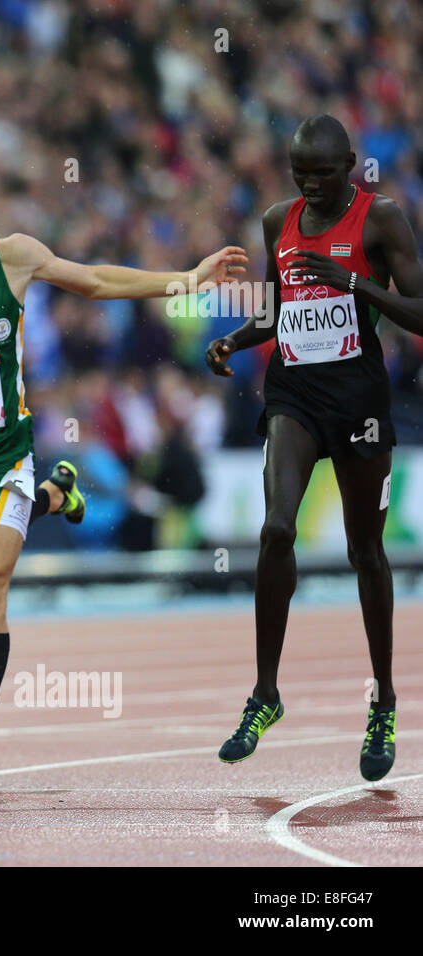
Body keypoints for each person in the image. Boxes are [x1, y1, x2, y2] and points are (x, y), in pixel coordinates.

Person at [0, 153, 247, 792]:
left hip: (1, 458)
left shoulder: (16, 257)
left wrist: (188, 279)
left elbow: (95, 281)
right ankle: (57, 493)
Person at [206, 115, 423, 781]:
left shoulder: (382, 219)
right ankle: (265, 694)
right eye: (301, 173)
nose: (311, 185)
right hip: (294, 394)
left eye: (323, 174)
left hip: (357, 399)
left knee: (366, 553)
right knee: (276, 528)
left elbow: (419, 314)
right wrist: (236, 341)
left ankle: (383, 701)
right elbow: (278, 308)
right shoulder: (279, 219)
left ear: (351, 166)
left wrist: (354, 282)